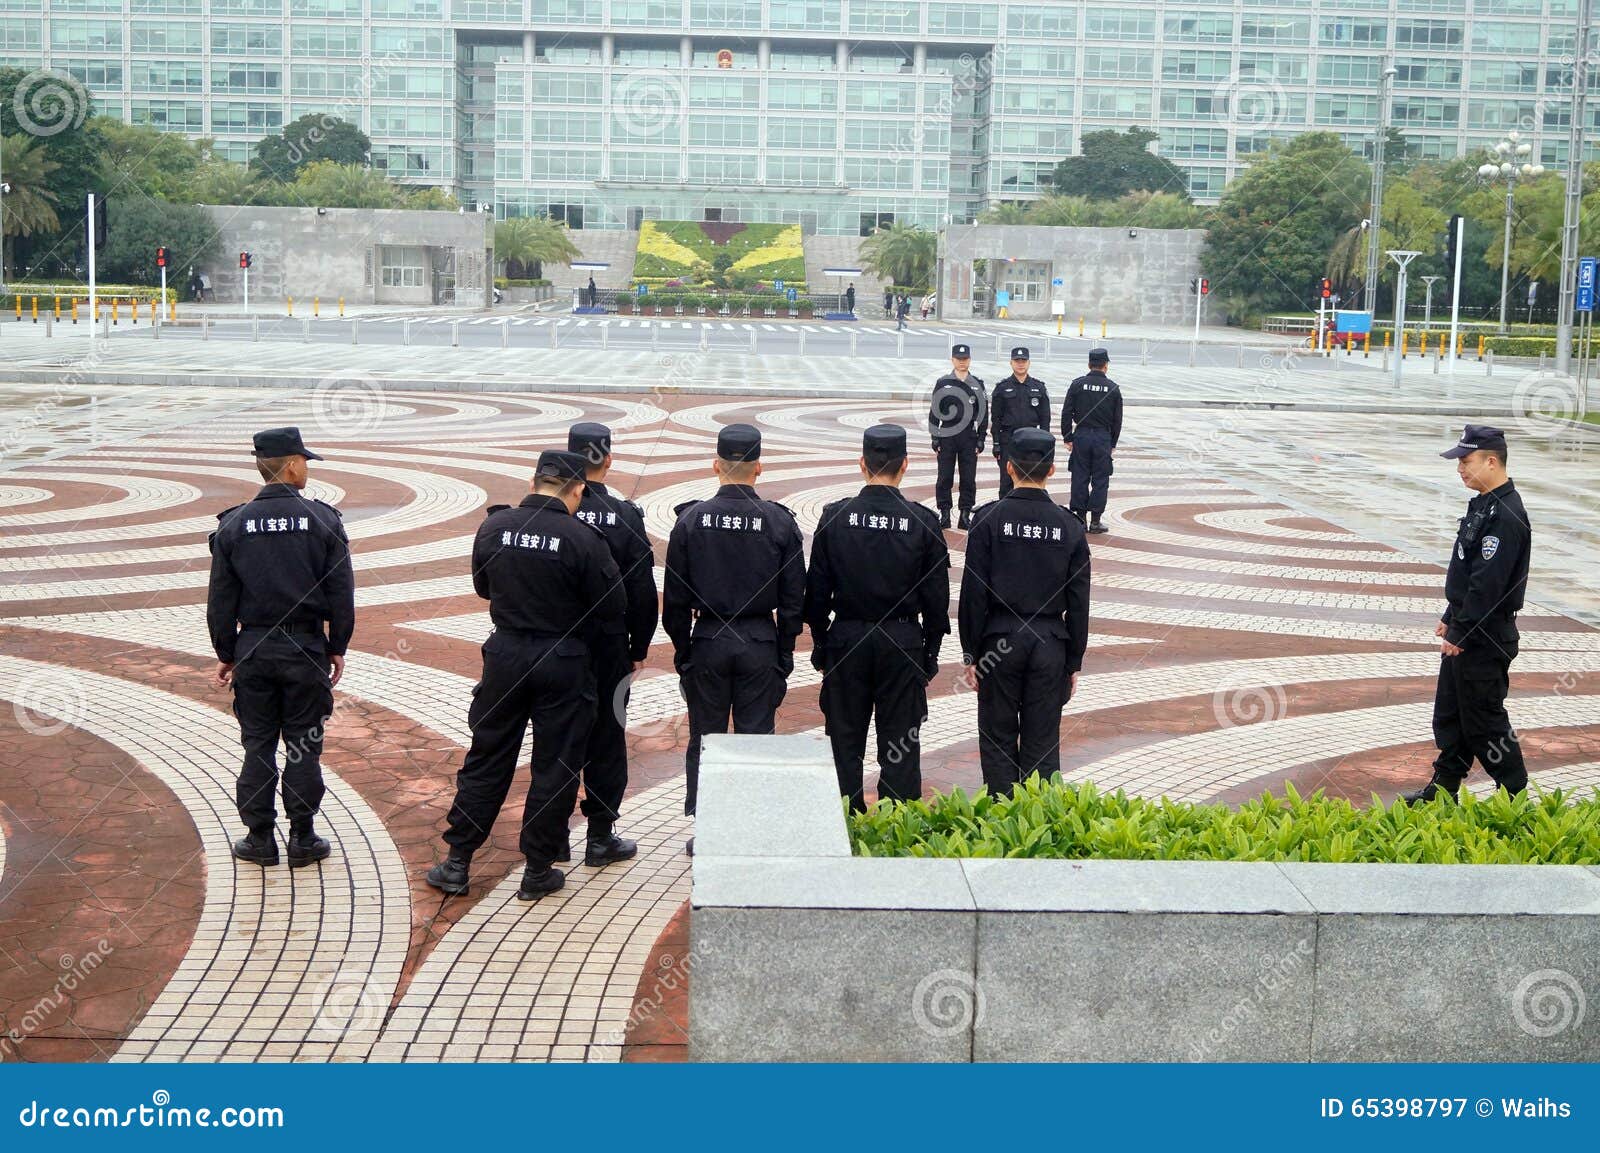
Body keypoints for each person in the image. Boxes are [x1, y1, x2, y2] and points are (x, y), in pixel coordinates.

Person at [428, 450, 625, 901]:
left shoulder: (493, 527)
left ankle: (457, 862)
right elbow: (611, 607)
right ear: (577, 490)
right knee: (555, 765)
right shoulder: (584, 539)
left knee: (488, 756)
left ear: (533, 480)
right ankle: (537, 868)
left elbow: (483, 586)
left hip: (505, 654)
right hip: (564, 658)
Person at [207, 427, 355, 869]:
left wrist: (227, 652)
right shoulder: (324, 521)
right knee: (303, 745)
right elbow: (341, 595)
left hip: (253, 646)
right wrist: (336, 645)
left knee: (258, 746)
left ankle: (258, 838)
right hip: (305, 646)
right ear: (291, 465)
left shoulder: (233, 524)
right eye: (304, 461)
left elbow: (220, 600)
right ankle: (303, 837)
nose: (307, 468)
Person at [663, 424, 805, 847]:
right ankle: (748, 829)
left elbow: (673, 600)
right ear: (759, 468)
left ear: (715, 465)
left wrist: (684, 651)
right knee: (756, 739)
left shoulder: (690, 520)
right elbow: (794, 599)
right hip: (759, 641)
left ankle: (707, 828)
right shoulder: (778, 522)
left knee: (705, 739)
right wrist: (784, 653)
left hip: (707, 639)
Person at [804, 425, 950, 811]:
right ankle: (895, 829)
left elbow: (816, 593)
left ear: (861, 464)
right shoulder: (922, 521)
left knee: (843, 742)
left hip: (846, 639)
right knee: (901, 744)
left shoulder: (836, 517)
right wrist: (929, 654)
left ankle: (842, 822)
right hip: (903, 642)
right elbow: (937, 600)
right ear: (904, 465)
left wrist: (822, 644)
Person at [959, 428, 1091, 796]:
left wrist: (971, 653)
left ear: (1008, 466)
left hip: (999, 641)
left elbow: (973, 594)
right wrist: (1073, 661)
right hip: (1050, 643)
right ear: (1052, 470)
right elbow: (1080, 603)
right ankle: (1038, 824)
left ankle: (1002, 820)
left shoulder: (987, 520)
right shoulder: (1070, 527)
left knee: (998, 737)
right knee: (1043, 742)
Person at [1404, 425, 1531, 803]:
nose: (1460, 468)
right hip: (1470, 625)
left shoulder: (1506, 516)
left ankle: (1515, 795)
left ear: (1492, 461)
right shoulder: (1485, 504)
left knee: (1485, 721)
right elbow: (1469, 569)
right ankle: (1443, 790)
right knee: (1453, 713)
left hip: (1485, 635)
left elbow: (1489, 585)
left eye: (1466, 460)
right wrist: (1450, 613)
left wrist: (1461, 631)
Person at [566, 422, 659, 865]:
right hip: (608, 645)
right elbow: (642, 589)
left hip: (558, 641)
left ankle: (550, 837)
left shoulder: (553, 510)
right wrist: (638, 646)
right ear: (609, 459)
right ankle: (600, 835)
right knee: (606, 735)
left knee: (559, 736)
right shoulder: (625, 515)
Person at [1060, 347, 1123, 534]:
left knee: (1079, 477)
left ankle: (1080, 519)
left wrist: (1067, 436)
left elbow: (1066, 412)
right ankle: (1095, 521)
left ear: (1089, 364)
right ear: (1106, 366)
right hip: (1103, 437)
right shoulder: (1113, 388)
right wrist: (1112, 443)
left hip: (1082, 435)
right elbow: (1117, 420)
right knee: (1100, 479)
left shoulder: (1077, 385)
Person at [928, 343, 988, 530]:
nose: (962, 362)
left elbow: (984, 414)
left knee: (968, 477)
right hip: (947, 434)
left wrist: (981, 439)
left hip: (968, 436)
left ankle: (964, 514)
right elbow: (934, 412)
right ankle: (944, 513)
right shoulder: (943, 383)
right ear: (952, 360)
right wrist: (935, 437)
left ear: (969, 360)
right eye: (958, 359)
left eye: (965, 359)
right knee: (944, 476)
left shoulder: (977, 384)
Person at [990, 346, 1051, 499]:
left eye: (1023, 360)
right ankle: (1004, 515)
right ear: (1011, 363)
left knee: (1032, 480)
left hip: (1032, 441)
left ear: (1029, 363)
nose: (1020, 364)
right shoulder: (1002, 388)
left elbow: (1045, 418)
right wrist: (996, 443)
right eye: (1017, 361)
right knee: (1006, 480)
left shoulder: (1039, 387)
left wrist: (1045, 443)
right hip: (1008, 441)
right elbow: (995, 418)